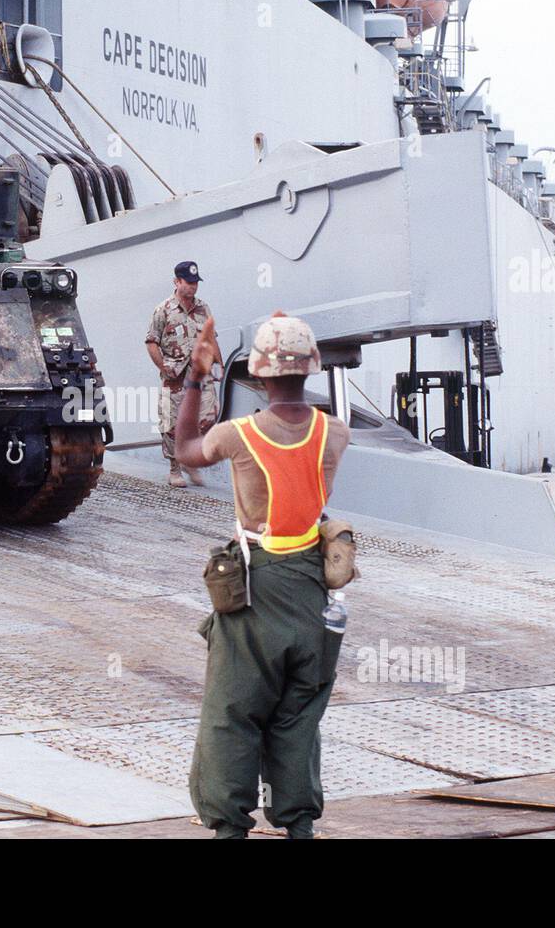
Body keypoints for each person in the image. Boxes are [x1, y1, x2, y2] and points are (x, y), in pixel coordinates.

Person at [174, 311, 351, 839]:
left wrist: (195, 379)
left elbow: (186, 452)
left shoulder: (237, 435)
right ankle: (299, 828)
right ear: (311, 368)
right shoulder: (335, 433)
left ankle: (230, 829)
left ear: (258, 373)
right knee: (297, 719)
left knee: (233, 714)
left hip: (258, 587)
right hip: (312, 591)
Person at [145, 260, 222, 487]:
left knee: (208, 417)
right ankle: (175, 468)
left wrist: (219, 363)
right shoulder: (163, 310)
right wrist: (163, 367)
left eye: (196, 283)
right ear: (176, 282)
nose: (193, 287)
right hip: (175, 375)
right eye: (188, 283)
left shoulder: (203, 308)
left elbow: (210, 337)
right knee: (171, 423)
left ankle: (190, 459)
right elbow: (151, 342)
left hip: (200, 373)